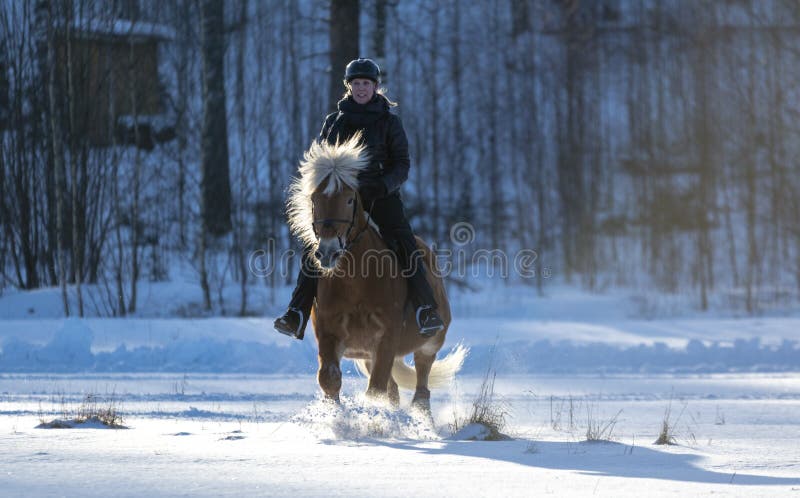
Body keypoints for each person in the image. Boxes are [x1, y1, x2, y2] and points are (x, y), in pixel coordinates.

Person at [274, 57, 445, 340]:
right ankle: (297, 313)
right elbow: (321, 162)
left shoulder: (390, 123)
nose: (361, 88)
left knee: (404, 243)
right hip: (341, 201)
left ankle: (425, 309)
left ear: (376, 87)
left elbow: (402, 165)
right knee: (313, 248)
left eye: (367, 83)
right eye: (356, 83)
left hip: (380, 196)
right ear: (348, 87)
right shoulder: (334, 122)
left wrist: (384, 184)